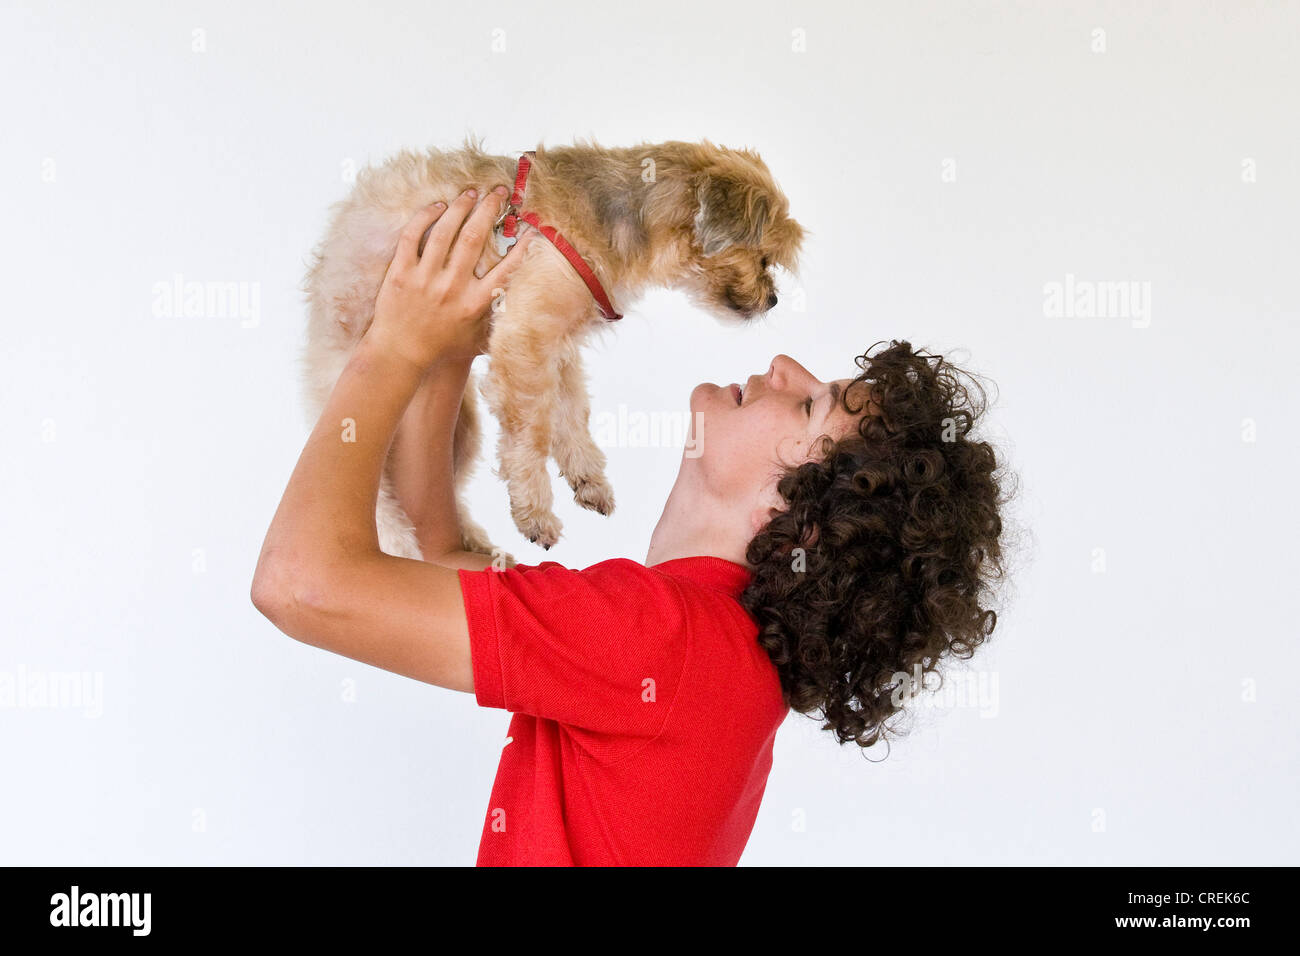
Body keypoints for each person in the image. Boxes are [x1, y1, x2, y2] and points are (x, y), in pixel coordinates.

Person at [252, 186, 1011, 866]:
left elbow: (300, 584)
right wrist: (452, 354)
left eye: (811, 404)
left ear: (799, 519)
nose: (783, 364)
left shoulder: (664, 639)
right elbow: (439, 553)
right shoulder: (709, 654)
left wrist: (393, 347)